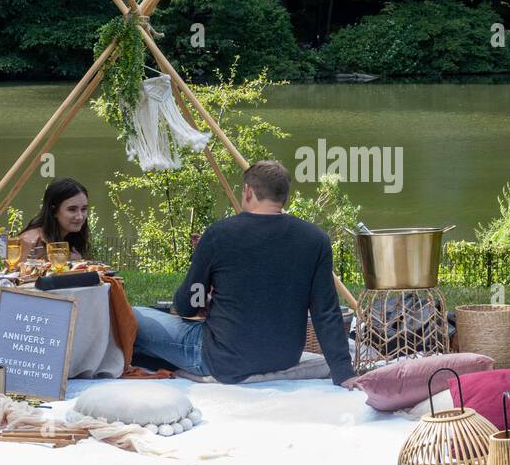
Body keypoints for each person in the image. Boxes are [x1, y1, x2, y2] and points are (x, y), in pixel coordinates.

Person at [132, 160, 354, 386]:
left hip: (224, 360)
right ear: (284, 196)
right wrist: (343, 372)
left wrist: (202, 278)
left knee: (130, 315)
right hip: (283, 357)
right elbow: (326, 312)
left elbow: (189, 302)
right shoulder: (315, 239)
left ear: (248, 191)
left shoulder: (220, 235)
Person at [18, 178, 89, 261]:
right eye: (72, 209)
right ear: (54, 211)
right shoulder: (30, 241)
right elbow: (11, 273)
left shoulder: (72, 238)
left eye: (84, 209)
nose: (80, 217)